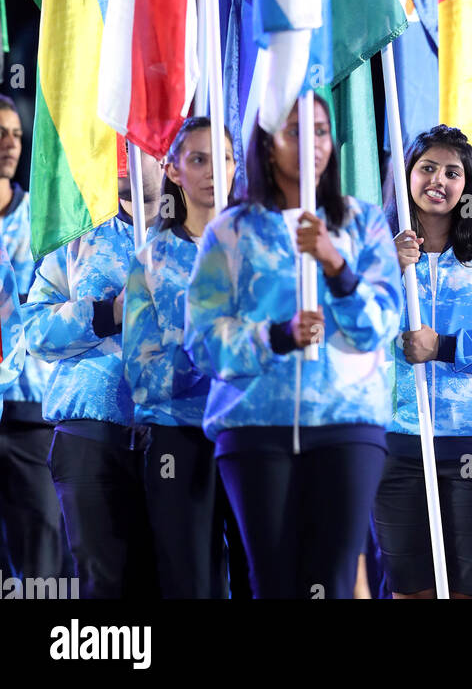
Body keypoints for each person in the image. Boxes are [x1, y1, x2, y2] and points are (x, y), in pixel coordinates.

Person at [184, 95, 402, 600]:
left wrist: (336, 267)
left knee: (333, 581)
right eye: (296, 132)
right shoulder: (231, 231)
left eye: (322, 131)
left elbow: (381, 324)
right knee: (274, 584)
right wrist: (276, 335)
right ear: (267, 143)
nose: (313, 144)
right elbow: (202, 340)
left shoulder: (361, 223)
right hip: (255, 427)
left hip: (346, 424)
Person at [373, 124, 472, 600]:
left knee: (470, 592)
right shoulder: (375, 256)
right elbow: (347, 334)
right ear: (406, 177)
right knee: (410, 592)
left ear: (467, 187)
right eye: (427, 168)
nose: (438, 181)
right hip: (396, 437)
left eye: (452, 172)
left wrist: (444, 346)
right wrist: (385, 264)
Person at [22, 150, 164, 599]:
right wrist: (110, 312)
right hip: (90, 437)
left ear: (167, 155)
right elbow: (35, 332)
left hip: (179, 436)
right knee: (106, 587)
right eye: (117, 140)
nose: (123, 151)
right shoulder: (78, 239)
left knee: (183, 580)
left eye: (135, 139)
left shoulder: (198, 238)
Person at [123, 116, 246, 598]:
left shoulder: (261, 251)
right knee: (189, 580)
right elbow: (141, 372)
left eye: (225, 159)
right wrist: (202, 357)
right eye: (199, 159)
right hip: (179, 437)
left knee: (265, 576)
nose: (215, 171)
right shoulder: (150, 260)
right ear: (173, 170)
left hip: (252, 434)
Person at [0, 94, 66, 583]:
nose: (9, 144)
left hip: (29, 411)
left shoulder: (40, 221)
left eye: (17, 135)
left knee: (42, 536)